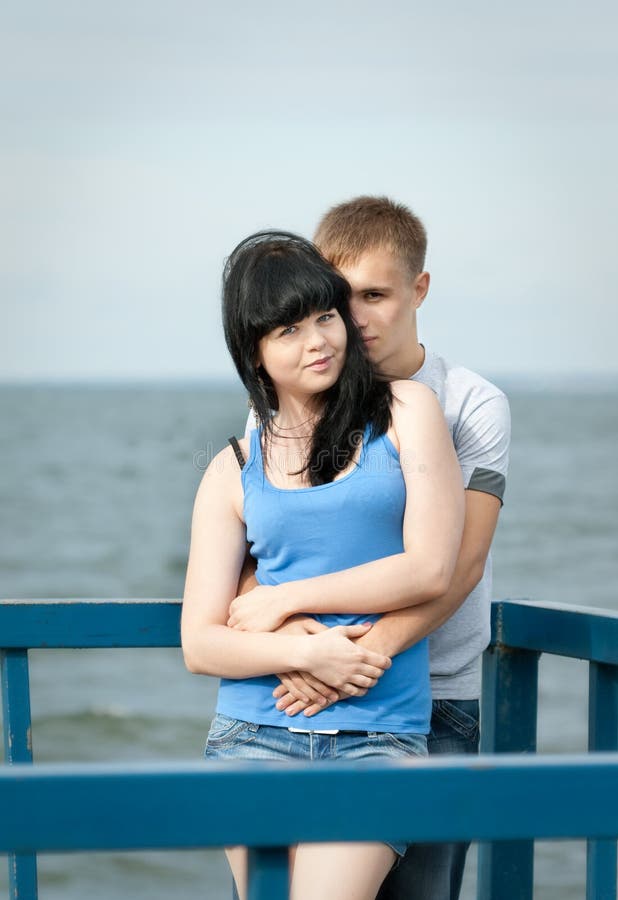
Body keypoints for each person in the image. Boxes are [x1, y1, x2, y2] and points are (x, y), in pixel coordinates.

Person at [181, 230, 465, 900]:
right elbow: (201, 642)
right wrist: (307, 656)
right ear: (252, 351)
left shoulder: (405, 411)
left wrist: (284, 602)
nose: (319, 342)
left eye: (325, 317)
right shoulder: (235, 466)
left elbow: (430, 568)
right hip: (253, 733)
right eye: (288, 330)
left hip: (377, 736)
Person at [244, 197, 510, 900]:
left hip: (436, 696)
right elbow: (260, 546)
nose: (354, 317)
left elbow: (458, 566)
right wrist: (302, 647)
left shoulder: (468, 402)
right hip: (300, 691)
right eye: (339, 297)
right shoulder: (288, 398)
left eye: (375, 295)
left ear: (419, 290)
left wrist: (358, 659)